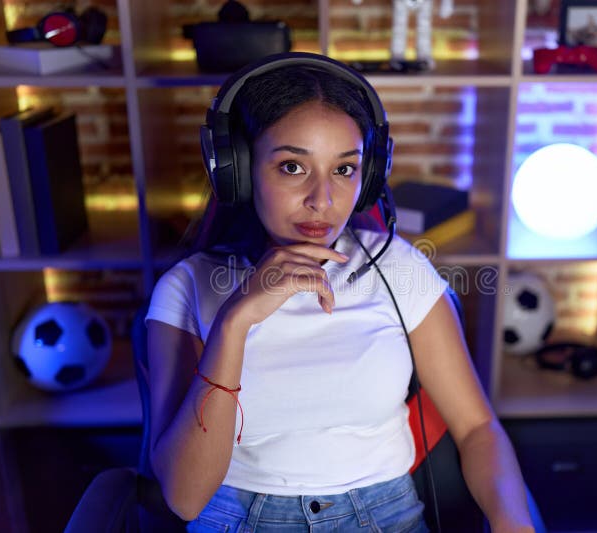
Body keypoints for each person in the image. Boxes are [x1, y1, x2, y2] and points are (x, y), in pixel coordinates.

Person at [145, 52, 534, 532]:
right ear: (238, 170)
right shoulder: (186, 289)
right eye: (292, 167)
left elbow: (477, 430)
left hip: (384, 518)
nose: (322, 200)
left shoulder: (397, 269)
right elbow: (184, 498)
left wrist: (512, 520)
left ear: (368, 176)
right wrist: (235, 321)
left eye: (345, 170)